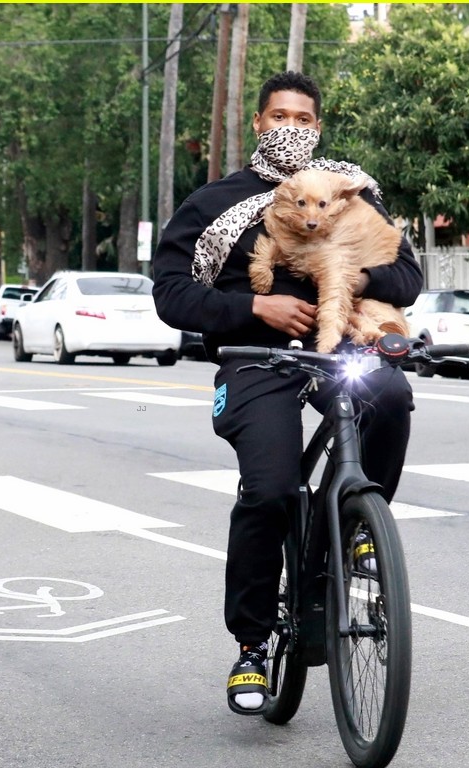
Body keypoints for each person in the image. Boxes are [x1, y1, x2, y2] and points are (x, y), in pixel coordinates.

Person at [152, 71, 423, 715]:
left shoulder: (349, 191)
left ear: (318, 127)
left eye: (303, 119)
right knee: (271, 488)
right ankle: (251, 645)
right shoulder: (218, 202)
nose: (291, 129)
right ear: (257, 123)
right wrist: (256, 307)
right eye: (279, 117)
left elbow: (408, 275)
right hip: (255, 358)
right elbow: (170, 293)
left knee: (391, 396)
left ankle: (357, 523)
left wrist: (357, 275)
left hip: (342, 351)